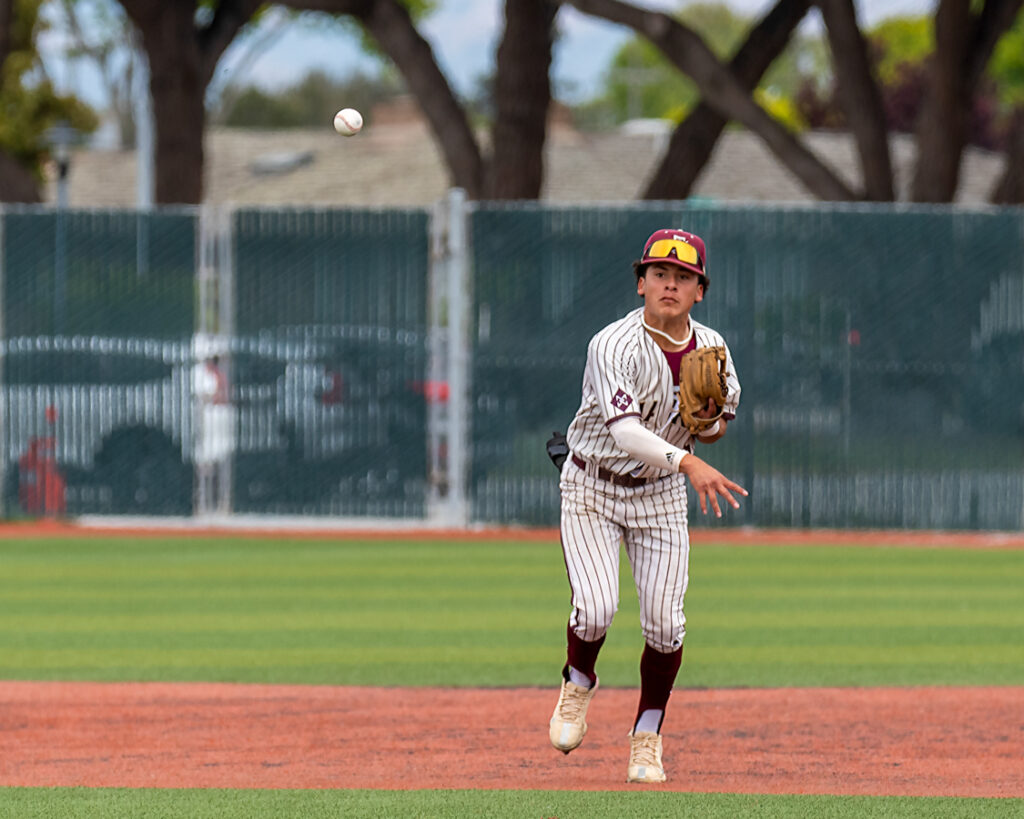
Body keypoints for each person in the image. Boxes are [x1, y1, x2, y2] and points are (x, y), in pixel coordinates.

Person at [548, 228, 747, 783]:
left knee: (665, 625)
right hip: (592, 485)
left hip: (657, 497)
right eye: (659, 273)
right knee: (594, 609)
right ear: (640, 283)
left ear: (699, 291)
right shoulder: (610, 345)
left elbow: (714, 428)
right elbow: (628, 433)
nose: (670, 283)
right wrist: (689, 463)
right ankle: (578, 683)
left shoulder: (713, 348)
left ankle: (647, 736)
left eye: (684, 277)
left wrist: (707, 426)